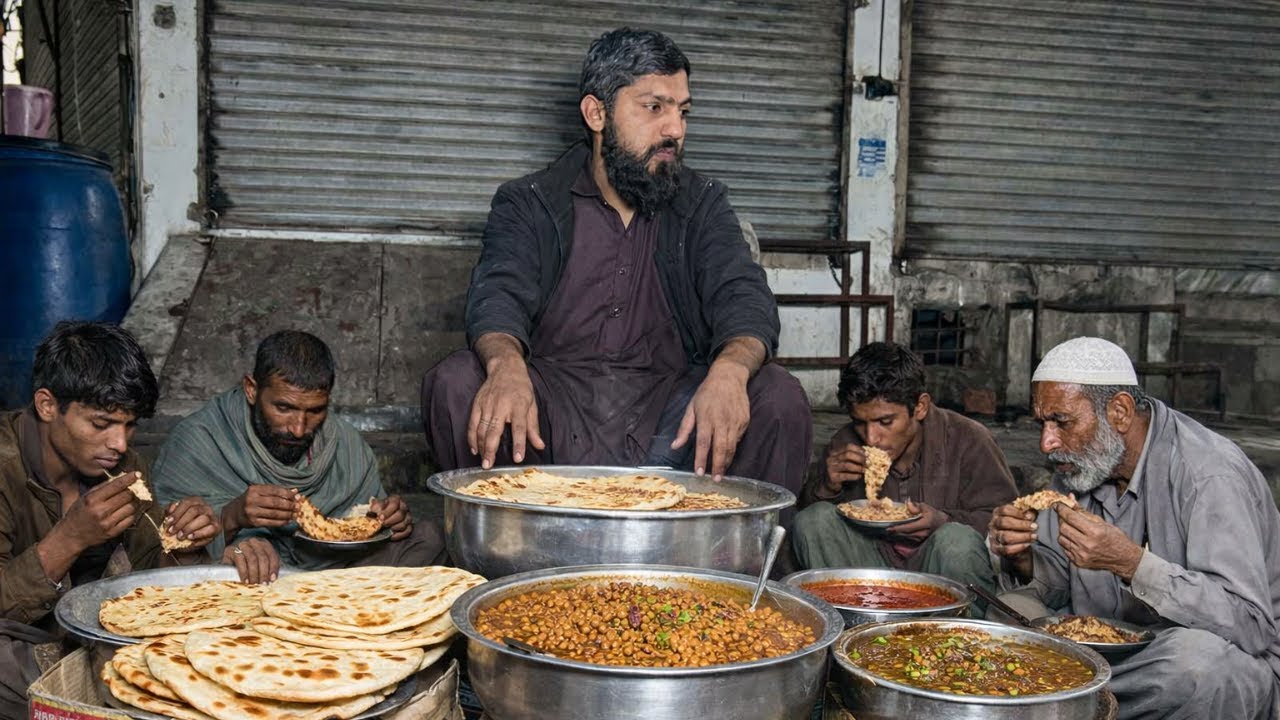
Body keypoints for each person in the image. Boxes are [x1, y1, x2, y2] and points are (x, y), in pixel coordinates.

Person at [420, 27, 812, 502]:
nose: (675, 129)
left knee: (776, 394)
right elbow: (498, 292)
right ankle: (503, 557)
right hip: (550, 417)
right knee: (457, 380)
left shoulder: (702, 203)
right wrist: (506, 365)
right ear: (596, 113)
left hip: (670, 420)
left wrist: (729, 371)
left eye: (682, 111)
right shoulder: (530, 201)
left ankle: (732, 567)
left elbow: (742, 294)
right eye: (654, 107)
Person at [989, 337, 1280, 719]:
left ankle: (1067, 696)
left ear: (1120, 412)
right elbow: (1059, 583)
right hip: (1113, 653)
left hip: (1212, 661)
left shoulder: (1207, 475)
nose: (1047, 443)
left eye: (1061, 421)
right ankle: (1070, 696)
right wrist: (1022, 556)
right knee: (1007, 614)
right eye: (1042, 423)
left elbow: (1252, 626)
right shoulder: (1082, 464)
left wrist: (1131, 563)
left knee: (1200, 666)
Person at [0, 322, 217, 719]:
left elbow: (150, 578)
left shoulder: (124, 467)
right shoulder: (5, 467)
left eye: (130, 425)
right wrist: (69, 539)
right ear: (48, 406)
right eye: (101, 424)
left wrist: (184, 545)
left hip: (92, 634)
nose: (120, 444)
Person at [152, 330, 446, 584]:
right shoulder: (200, 438)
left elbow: (367, 530)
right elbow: (163, 545)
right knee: (204, 573)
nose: (298, 428)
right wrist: (233, 516)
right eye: (283, 408)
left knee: (432, 537)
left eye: (315, 411)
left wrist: (388, 521)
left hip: (336, 575)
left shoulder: (345, 442)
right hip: (250, 575)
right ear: (252, 390)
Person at [790, 342, 1017, 602]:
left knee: (956, 541)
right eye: (860, 422)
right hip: (869, 573)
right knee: (813, 520)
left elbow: (1007, 525)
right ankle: (855, 628)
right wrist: (826, 488)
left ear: (920, 407)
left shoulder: (969, 439)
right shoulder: (846, 442)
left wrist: (943, 521)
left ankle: (965, 637)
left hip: (940, 573)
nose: (871, 438)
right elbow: (814, 526)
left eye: (885, 422)